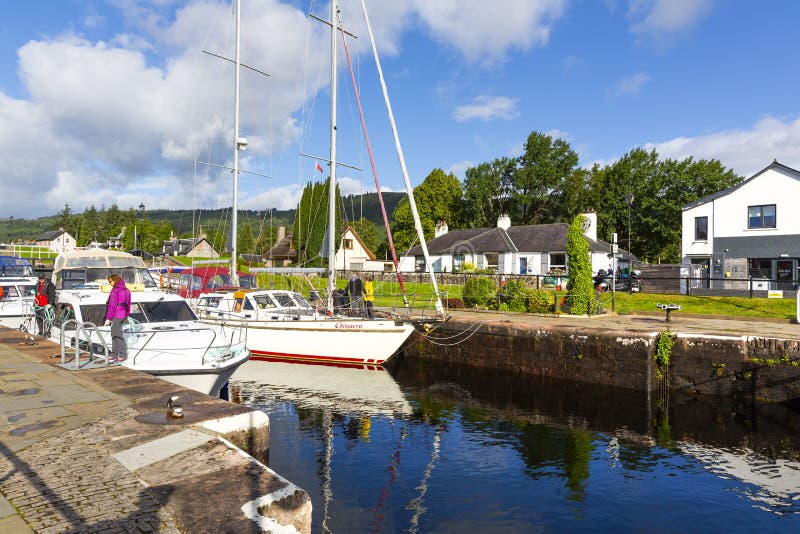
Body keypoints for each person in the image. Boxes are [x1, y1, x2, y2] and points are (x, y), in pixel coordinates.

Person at [104, 274, 131, 362]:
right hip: (123, 314)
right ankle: (114, 354)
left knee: (117, 335)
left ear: (115, 281)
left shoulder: (115, 291)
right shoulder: (126, 290)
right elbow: (128, 305)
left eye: (110, 281)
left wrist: (108, 318)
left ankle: (123, 354)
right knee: (115, 333)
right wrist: (126, 315)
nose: (110, 283)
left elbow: (112, 306)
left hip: (116, 314)